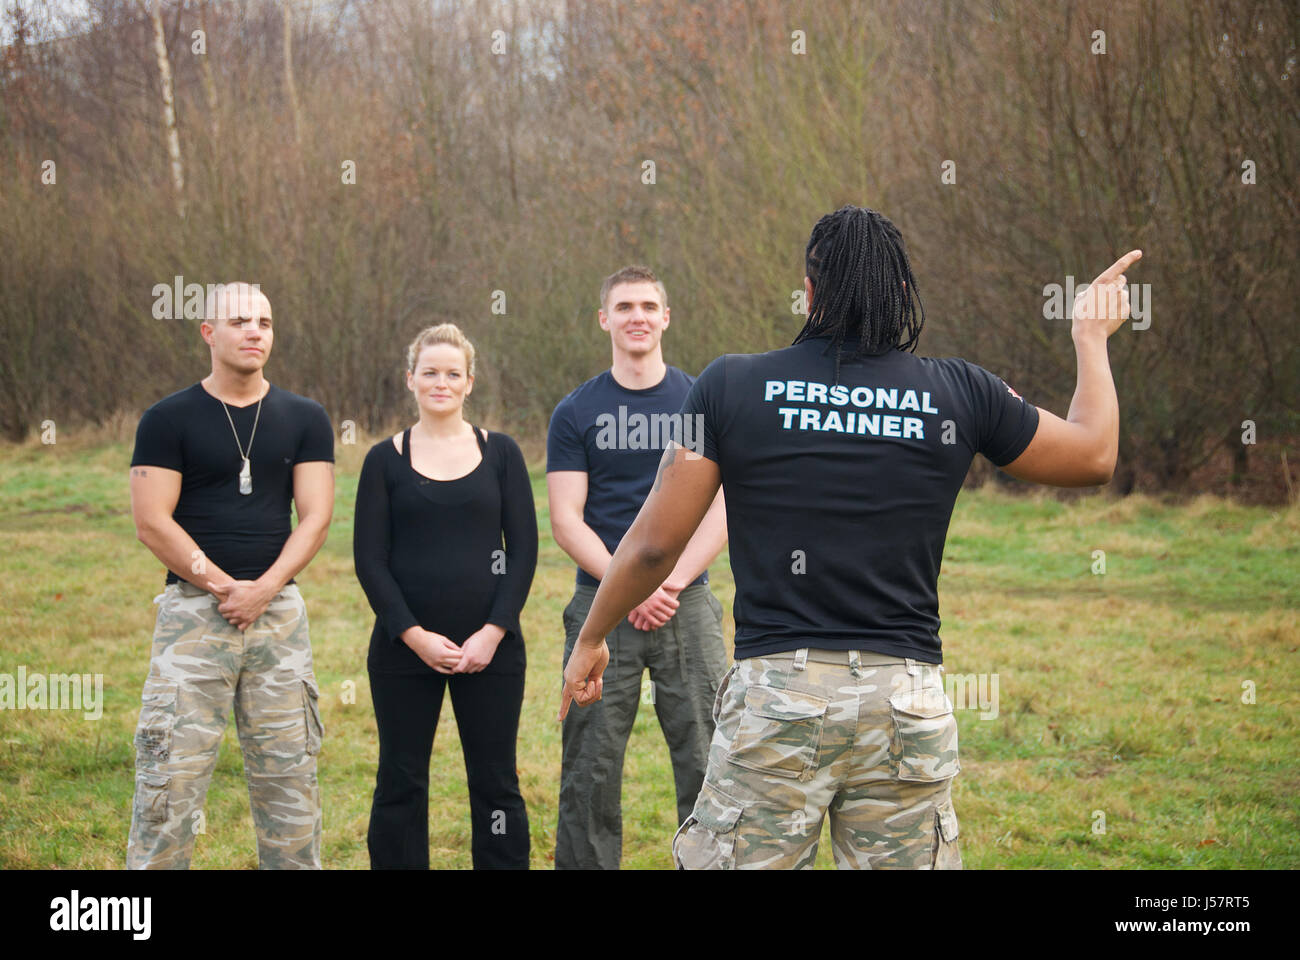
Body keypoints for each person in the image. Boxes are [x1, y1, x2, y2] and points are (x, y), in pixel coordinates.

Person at [560, 205, 1141, 869]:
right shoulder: (960, 392)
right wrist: (1091, 338)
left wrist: (593, 636)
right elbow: (1095, 455)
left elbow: (652, 547)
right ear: (900, 294)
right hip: (905, 704)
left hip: (777, 701)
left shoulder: (729, 384)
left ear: (808, 293)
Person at [127, 281, 335, 869]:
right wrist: (223, 586)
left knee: (291, 782)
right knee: (169, 781)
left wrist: (265, 589)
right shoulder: (167, 419)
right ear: (208, 333)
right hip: (194, 616)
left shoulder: (305, 418)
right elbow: (152, 522)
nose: (254, 332)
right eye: (240, 320)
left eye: (265, 322)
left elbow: (315, 517)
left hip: (279, 618)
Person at [547, 265, 730, 869]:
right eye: (624, 307)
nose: (637, 317)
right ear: (605, 319)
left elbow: (725, 507)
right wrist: (626, 590)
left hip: (688, 602)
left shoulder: (700, 399)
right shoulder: (576, 410)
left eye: (649, 306)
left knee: (709, 761)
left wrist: (670, 580)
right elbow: (568, 520)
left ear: (666, 317)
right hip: (602, 608)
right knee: (589, 770)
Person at [354, 323, 537, 869]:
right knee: (400, 780)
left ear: (469, 382)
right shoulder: (383, 460)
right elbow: (370, 561)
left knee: (495, 780)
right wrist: (413, 636)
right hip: (402, 650)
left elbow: (524, 552)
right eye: (429, 372)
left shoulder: (502, 454)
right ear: (410, 379)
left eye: (452, 373)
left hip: (492, 650)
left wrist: (493, 631)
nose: (441, 382)